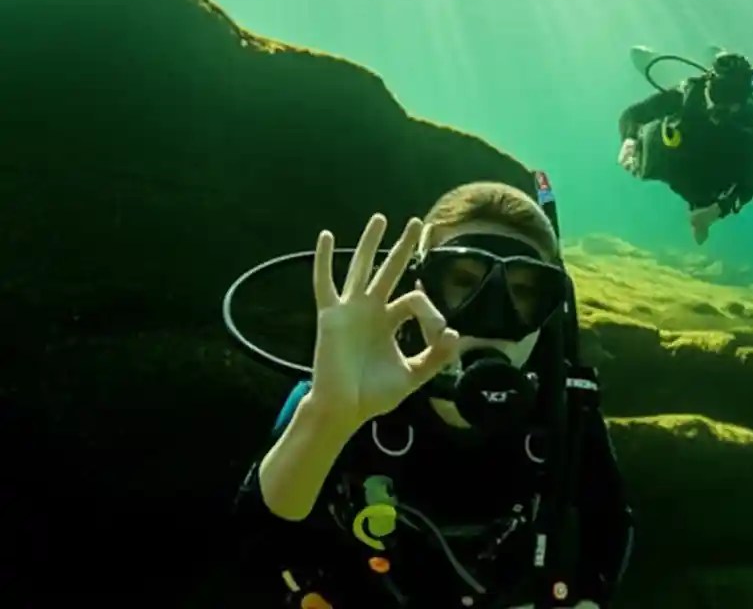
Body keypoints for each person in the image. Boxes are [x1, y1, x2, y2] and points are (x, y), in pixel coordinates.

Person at [231, 181, 634, 609]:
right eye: (463, 281)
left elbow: (608, 533)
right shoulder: (345, 391)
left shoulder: (564, 413)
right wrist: (327, 418)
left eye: (524, 291)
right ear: (419, 288)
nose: (493, 314)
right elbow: (254, 546)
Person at [616, 50, 753, 245]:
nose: (724, 109)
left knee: (701, 205)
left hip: (704, 179)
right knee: (648, 152)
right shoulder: (688, 94)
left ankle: (699, 218)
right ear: (709, 83)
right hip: (672, 154)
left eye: (734, 101)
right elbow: (632, 115)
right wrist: (629, 140)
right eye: (720, 94)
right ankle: (699, 215)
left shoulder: (745, 127)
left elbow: (748, 186)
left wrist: (717, 211)